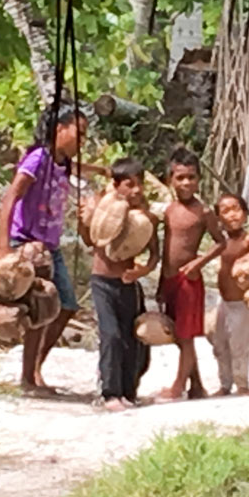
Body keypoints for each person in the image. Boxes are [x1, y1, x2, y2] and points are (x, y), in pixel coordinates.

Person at [0, 104, 106, 394]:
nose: (82, 141)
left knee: (66, 306)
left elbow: (80, 168)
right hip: (28, 244)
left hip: (50, 246)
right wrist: (3, 249)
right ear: (60, 129)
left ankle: (35, 369)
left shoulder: (63, 162)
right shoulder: (36, 160)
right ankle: (28, 379)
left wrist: (103, 171)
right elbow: (10, 198)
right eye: (79, 134)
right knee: (39, 311)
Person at [79, 158, 159, 411]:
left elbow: (154, 253)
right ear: (116, 185)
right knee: (110, 335)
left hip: (128, 284)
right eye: (129, 184)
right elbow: (90, 240)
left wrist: (143, 270)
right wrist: (84, 220)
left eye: (140, 184)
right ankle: (110, 393)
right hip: (102, 281)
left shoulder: (144, 215)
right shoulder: (104, 206)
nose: (136, 190)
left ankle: (129, 390)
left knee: (132, 338)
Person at [157, 147, 226, 400]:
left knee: (186, 337)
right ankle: (195, 385)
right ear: (170, 179)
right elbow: (166, 248)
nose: (186, 182)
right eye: (180, 177)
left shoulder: (203, 212)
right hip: (170, 279)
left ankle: (178, 387)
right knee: (178, 334)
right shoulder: (169, 210)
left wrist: (200, 262)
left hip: (189, 281)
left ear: (199, 179)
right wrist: (162, 282)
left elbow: (221, 242)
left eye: (191, 177)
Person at [211, 193, 249, 396]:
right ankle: (225, 384)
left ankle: (242, 384)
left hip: (242, 302)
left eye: (236, 209)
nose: (232, 215)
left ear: (244, 214)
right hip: (223, 301)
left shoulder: (248, 240)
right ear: (218, 217)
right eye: (225, 211)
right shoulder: (220, 241)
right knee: (220, 344)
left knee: (239, 346)